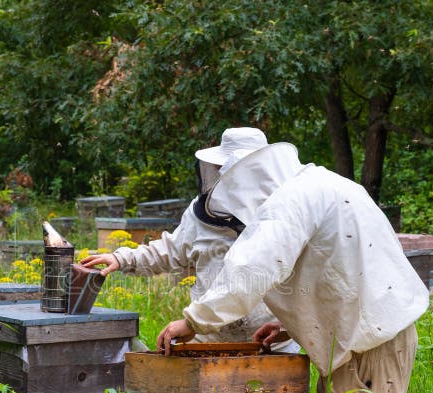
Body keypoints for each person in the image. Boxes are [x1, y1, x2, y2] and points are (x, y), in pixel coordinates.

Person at [155, 141, 430, 393]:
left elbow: (251, 269)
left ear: (250, 179)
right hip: (363, 340)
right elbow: (340, 275)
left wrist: (194, 321)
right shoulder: (326, 184)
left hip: (366, 347)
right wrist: (288, 328)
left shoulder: (291, 201)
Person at [81, 128, 298, 350]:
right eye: (219, 169)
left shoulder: (284, 215)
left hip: (272, 341)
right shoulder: (201, 212)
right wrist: (123, 259)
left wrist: (286, 327)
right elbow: (170, 250)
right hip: (210, 339)